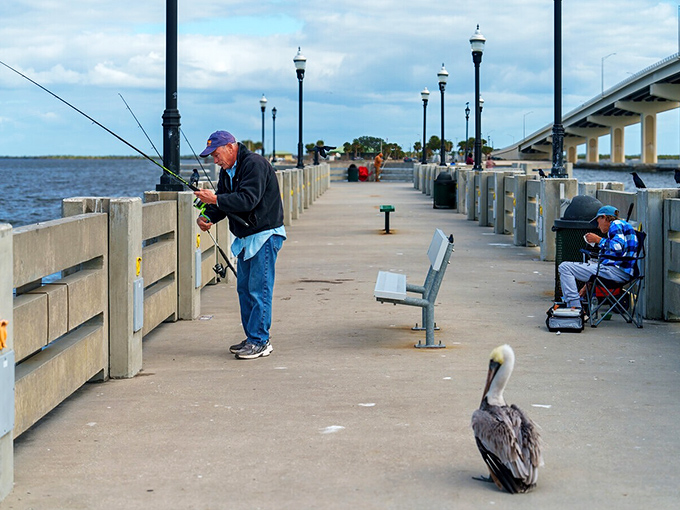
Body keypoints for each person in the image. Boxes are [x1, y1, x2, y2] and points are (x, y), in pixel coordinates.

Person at [194, 131, 286, 360]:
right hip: (246, 238)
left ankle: (261, 341)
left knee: (259, 290)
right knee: (244, 289)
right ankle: (252, 337)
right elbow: (224, 202)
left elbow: (247, 200)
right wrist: (208, 217)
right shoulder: (227, 172)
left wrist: (214, 199)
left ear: (230, 147)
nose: (215, 161)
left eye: (216, 155)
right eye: (212, 157)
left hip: (265, 235)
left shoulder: (254, 164)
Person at [557, 205, 639, 310]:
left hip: (615, 271)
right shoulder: (623, 226)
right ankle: (575, 304)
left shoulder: (616, 224)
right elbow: (615, 255)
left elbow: (617, 247)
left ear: (604, 217)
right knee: (569, 267)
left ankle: (575, 307)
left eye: (598, 221)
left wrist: (598, 240)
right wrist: (588, 285)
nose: (597, 226)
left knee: (564, 267)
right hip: (621, 272)